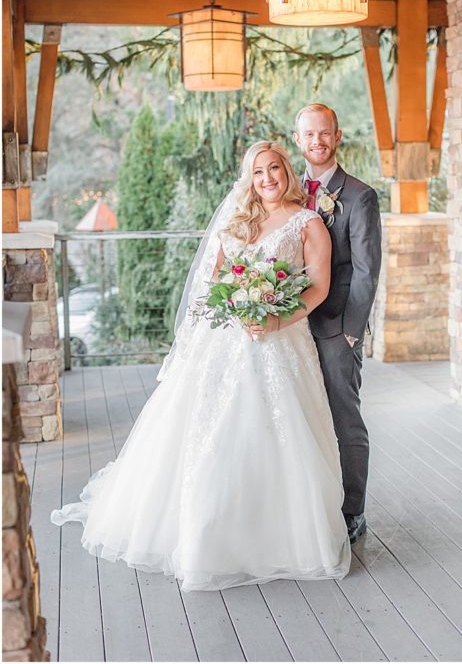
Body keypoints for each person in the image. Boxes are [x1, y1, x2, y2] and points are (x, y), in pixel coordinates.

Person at [52, 141, 351, 591]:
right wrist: (214, 324)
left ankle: (279, 534)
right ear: (248, 179)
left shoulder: (308, 223)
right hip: (224, 340)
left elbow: (318, 287)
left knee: (280, 431)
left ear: (286, 171)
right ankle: (200, 534)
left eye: (273, 168)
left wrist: (275, 318)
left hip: (281, 342)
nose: (267, 178)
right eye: (257, 172)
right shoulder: (235, 221)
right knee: (205, 428)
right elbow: (212, 282)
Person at [288, 103, 381, 544]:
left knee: (345, 420)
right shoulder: (286, 195)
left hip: (334, 328)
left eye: (324, 134)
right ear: (298, 140)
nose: (317, 142)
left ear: (337, 136)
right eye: (309, 135)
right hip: (289, 327)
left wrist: (351, 331)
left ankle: (352, 510)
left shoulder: (359, 196)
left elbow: (366, 270)